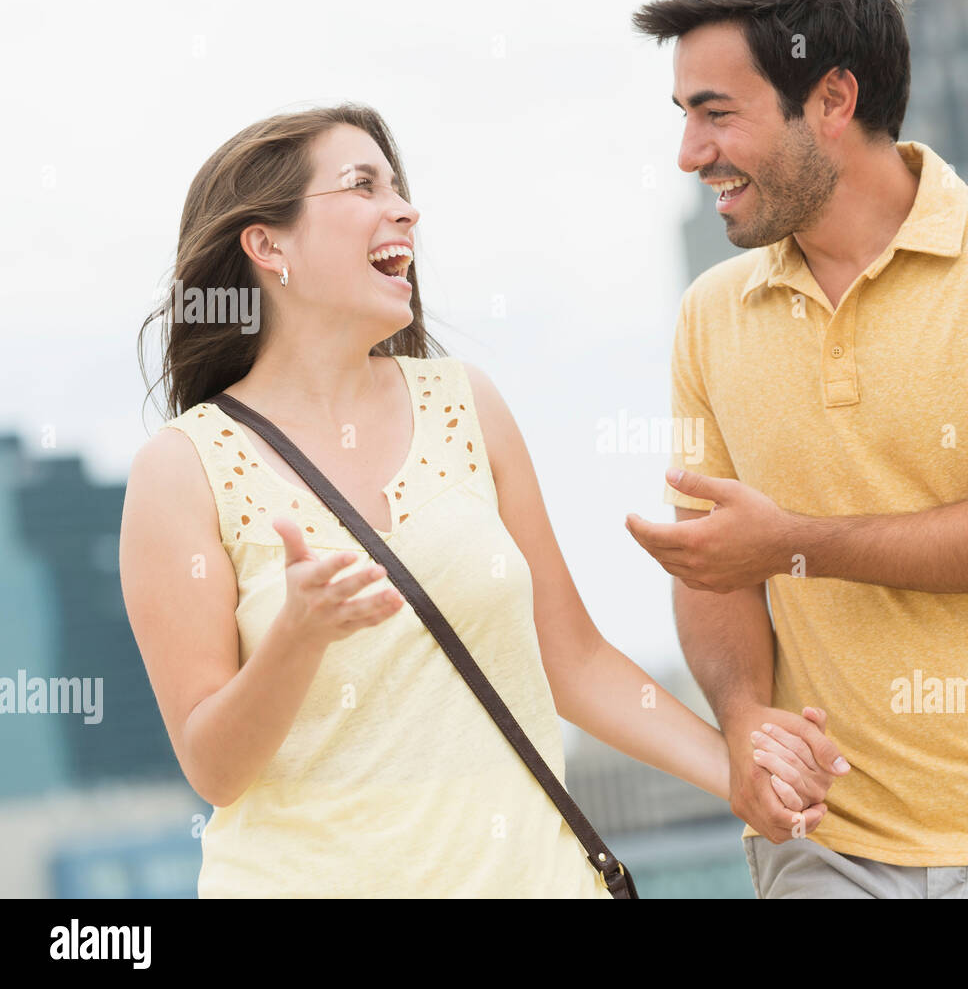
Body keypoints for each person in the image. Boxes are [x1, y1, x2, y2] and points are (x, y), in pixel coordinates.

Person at [119, 103, 845, 897]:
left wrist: (741, 773)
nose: (404, 208)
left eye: (398, 186)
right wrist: (296, 636)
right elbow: (214, 768)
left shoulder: (466, 403)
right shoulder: (181, 469)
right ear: (267, 245)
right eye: (362, 185)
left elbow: (574, 663)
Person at [626, 0, 968, 898]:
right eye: (684, 115)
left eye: (717, 114)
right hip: (825, 854)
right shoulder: (710, 314)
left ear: (832, 99)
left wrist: (793, 545)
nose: (690, 154)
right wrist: (745, 718)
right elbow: (717, 571)